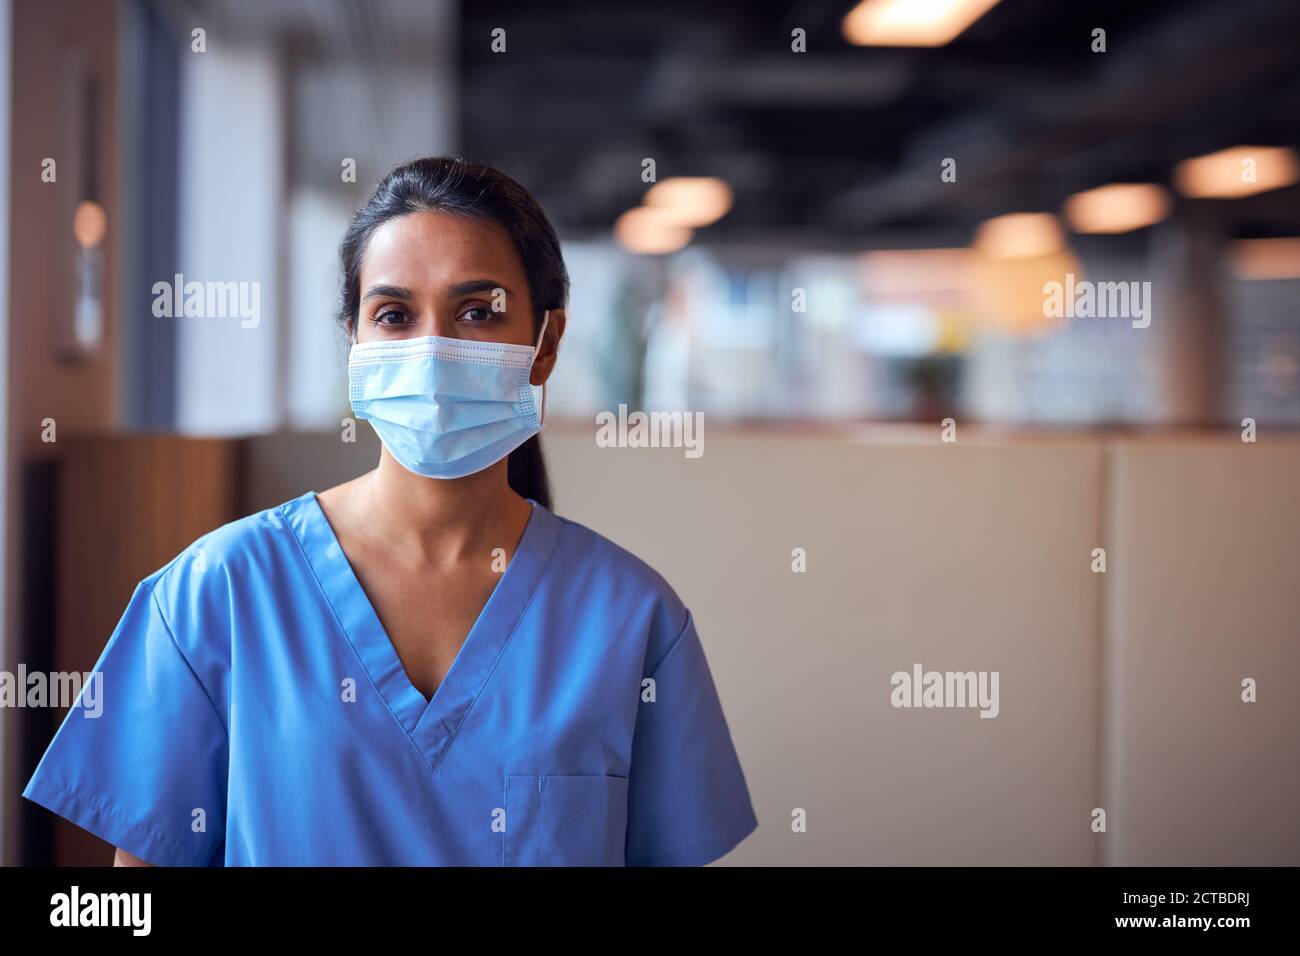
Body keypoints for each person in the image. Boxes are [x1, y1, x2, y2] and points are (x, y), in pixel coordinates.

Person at [22, 156, 758, 866]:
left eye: (477, 311)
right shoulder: (217, 595)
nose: (433, 349)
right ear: (354, 342)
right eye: (395, 314)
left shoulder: (631, 620)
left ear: (545, 345)